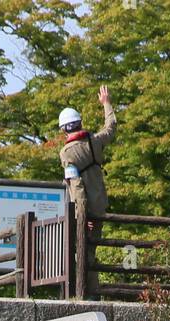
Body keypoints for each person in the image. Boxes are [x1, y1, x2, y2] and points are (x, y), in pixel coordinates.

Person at [58, 84, 116, 298]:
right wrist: (106, 103)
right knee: (91, 249)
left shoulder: (68, 153)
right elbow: (111, 127)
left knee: (82, 251)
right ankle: (91, 291)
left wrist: (83, 215)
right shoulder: (94, 141)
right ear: (80, 123)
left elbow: (77, 187)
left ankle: (88, 294)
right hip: (100, 204)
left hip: (85, 211)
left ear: (64, 129)